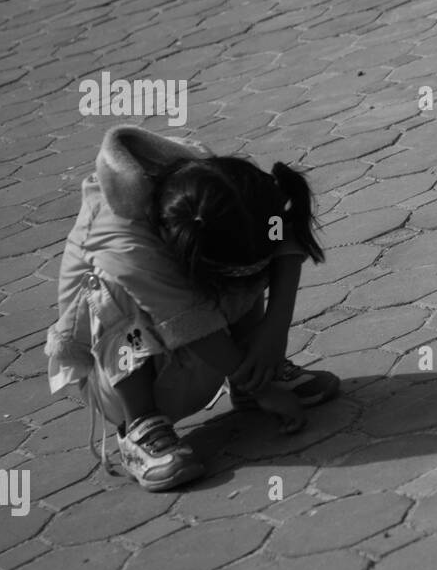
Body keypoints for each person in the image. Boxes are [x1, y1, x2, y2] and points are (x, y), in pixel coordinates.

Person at [45, 125, 340, 491]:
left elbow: (280, 232)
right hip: (132, 376)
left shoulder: (206, 180)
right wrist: (266, 390)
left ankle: (254, 377)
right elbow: (183, 318)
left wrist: (272, 336)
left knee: (246, 251)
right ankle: (141, 430)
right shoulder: (120, 237)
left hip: (199, 348)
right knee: (111, 287)